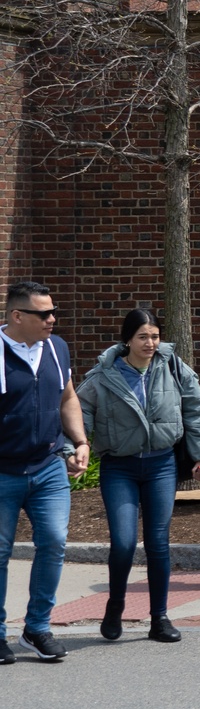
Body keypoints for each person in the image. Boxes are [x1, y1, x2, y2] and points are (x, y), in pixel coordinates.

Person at [78, 308, 200, 643]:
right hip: (119, 468)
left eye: (155, 336)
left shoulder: (172, 368)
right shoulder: (105, 374)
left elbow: (196, 410)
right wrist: (78, 445)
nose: (150, 343)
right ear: (127, 340)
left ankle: (160, 618)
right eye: (143, 336)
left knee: (158, 543)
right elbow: (80, 409)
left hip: (161, 465)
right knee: (123, 544)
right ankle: (115, 605)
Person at [0, 282, 88, 663]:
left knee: (53, 542)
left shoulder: (57, 347)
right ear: (17, 316)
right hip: (2, 470)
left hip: (48, 465)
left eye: (54, 312)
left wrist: (80, 442)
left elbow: (67, 397)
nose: (52, 320)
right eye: (44, 314)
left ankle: (37, 628)